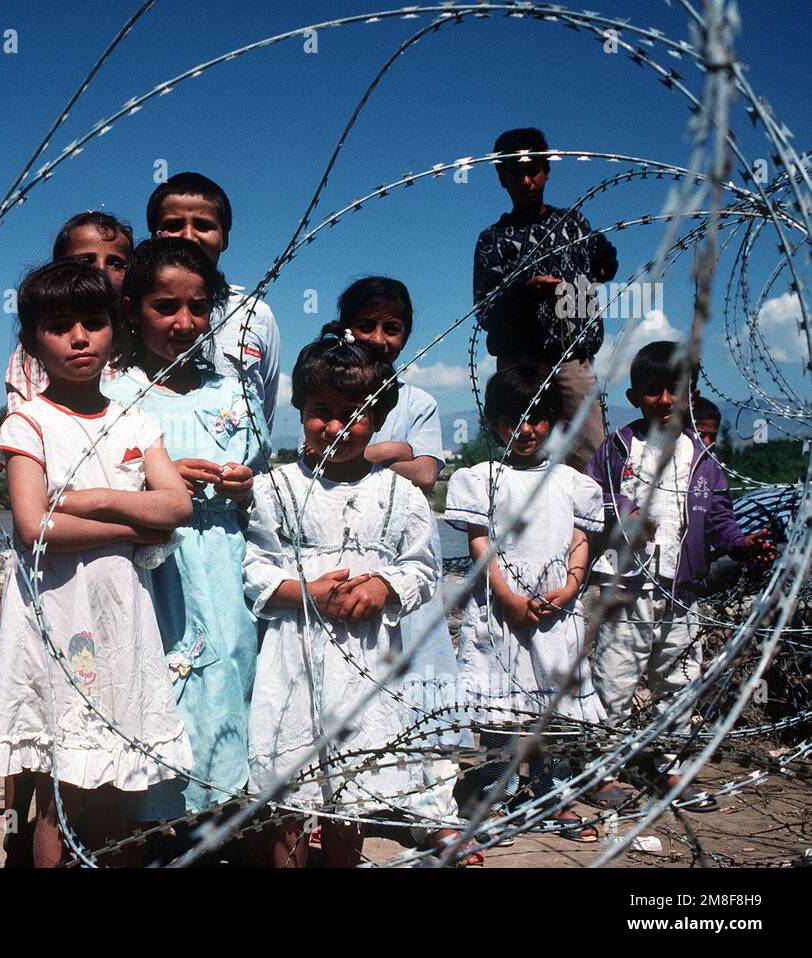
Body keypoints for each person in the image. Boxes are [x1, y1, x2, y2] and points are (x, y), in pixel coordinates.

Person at [0, 258, 194, 867]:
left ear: (115, 332)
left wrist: (94, 500)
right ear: (31, 341)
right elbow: (35, 527)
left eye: (93, 323)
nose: (79, 338)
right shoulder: (28, 422)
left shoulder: (135, 419)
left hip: (122, 619)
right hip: (56, 617)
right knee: (60, 787)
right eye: (59, 326)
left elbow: (177, 505)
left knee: (119, 780)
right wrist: (135, 525)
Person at [243, 336, 449, 867]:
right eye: (321, 411)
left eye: (354, 412)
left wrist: (384, 586)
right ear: (300, 410)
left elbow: (424, 569)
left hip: (367, 664)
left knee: (352, 797)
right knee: (289, 796)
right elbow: (256, 572)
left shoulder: (400, 494)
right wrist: (307, 594)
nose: (336, 426)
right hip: (293, 660)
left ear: (377, 418)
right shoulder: (276, 489)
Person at [100, 237, 265, 841]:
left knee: (231, 673)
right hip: (154, 567)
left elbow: (265, 482)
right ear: (133, 310)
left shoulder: (235, 394)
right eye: (165, 307)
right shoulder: (115, 397)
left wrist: (245, 487)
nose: (183, 322)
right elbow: (99, 484)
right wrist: (161, 478)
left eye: (198, 307)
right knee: (164, 683)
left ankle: (222, 817)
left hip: (224, 562)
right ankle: (158, 825)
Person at [586, 342, 774, 807]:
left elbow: (720, 520)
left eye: (676, 389)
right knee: (614, 679)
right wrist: (625, 512)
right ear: (635, 398)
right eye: (653, 391)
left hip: (681, 591)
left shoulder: (702, 456)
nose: (665, 400)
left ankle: (670, 770)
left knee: (679, 683)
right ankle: (600, 772)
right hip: (626, 589)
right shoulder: (618, 447)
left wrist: (742, 545)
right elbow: (589, 496)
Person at [319, 276, 468, 855]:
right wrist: (392, 450)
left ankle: (433, 810)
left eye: (392, 327)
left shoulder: (417, 402)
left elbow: (425, 473)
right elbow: (319, 460)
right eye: (365, 325)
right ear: (343, 327)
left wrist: (362, 454)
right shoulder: (325, 388)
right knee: (346, 681)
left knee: (421, 678)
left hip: (404, 560)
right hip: (342, 560)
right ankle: (340, 806)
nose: (378, 338)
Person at [446, 363, 606, 842]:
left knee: (555, 715)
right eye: (513, 418)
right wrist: (508, 597)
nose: (526, 429)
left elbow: (581, 540)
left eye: (536, 418)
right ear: (496, 423)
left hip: (556, 614)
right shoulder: (482, 480)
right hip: (501, 613)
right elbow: (481, 544)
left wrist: (571, 587)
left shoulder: (572, 483)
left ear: (552, 420)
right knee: (500, 714)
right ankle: (495, 797)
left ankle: (552, 796)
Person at [473, 127, 619, 469]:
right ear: (502, 179)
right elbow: (484, 310)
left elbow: (606, 256)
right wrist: (526, 293)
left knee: (591, 454)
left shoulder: (574, 224)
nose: (526, 181)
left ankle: (597, 504)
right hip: (519, 363)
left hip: (571, 357)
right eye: (515, 174)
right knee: (524, 455)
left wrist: (599, 271)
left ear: (547, 171)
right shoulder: (494, 240)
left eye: (533, 171)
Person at [147, 172, 282, 431]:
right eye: (173, 225)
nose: (189, 236)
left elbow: (263, 417)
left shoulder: (255, 315)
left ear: (225, 238)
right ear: (155, 235)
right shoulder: (141, 314)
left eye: (203, 225)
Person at [1, 210, 133, 413]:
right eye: (86, 260)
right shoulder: (33, 356)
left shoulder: (145, 341)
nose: (101, 270)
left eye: (116, 263)